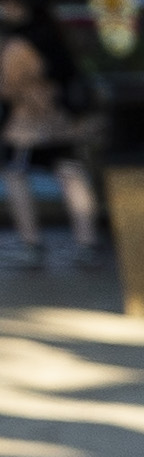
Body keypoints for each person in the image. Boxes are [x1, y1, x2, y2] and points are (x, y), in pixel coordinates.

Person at [0, 0, 99, 271]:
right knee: (71, 174)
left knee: (16, 175)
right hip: (61, 120)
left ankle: (32, 245)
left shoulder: (18, 44)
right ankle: (86, 242)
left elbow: (7, 87)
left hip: (26, 126)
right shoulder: (55, 35)